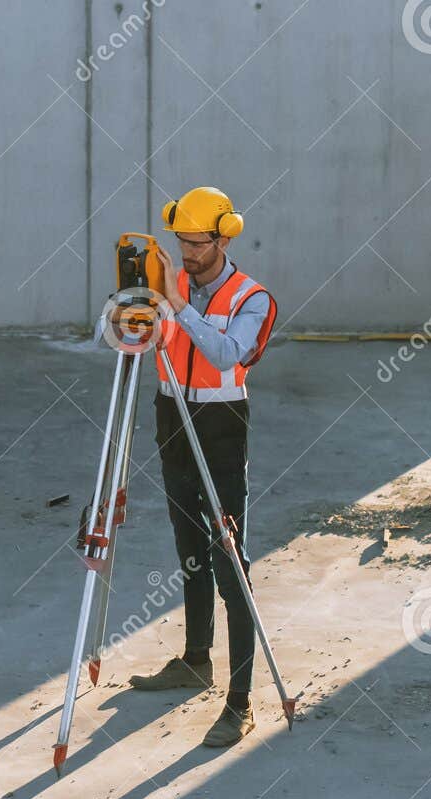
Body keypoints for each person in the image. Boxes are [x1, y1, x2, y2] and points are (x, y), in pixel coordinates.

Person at [92, 186, 277, 747]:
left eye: (198, 243)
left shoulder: (252, 298)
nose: (188, 252)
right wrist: (130, 310)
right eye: (181, 241)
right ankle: (197, 660)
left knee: (229, 556)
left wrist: (177, 303)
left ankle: (239, 702)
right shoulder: (170, 288)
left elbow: (226, 353)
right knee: (188, 545)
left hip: (220, 427)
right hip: (170, 414)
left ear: (224, 237)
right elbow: (124, 341)